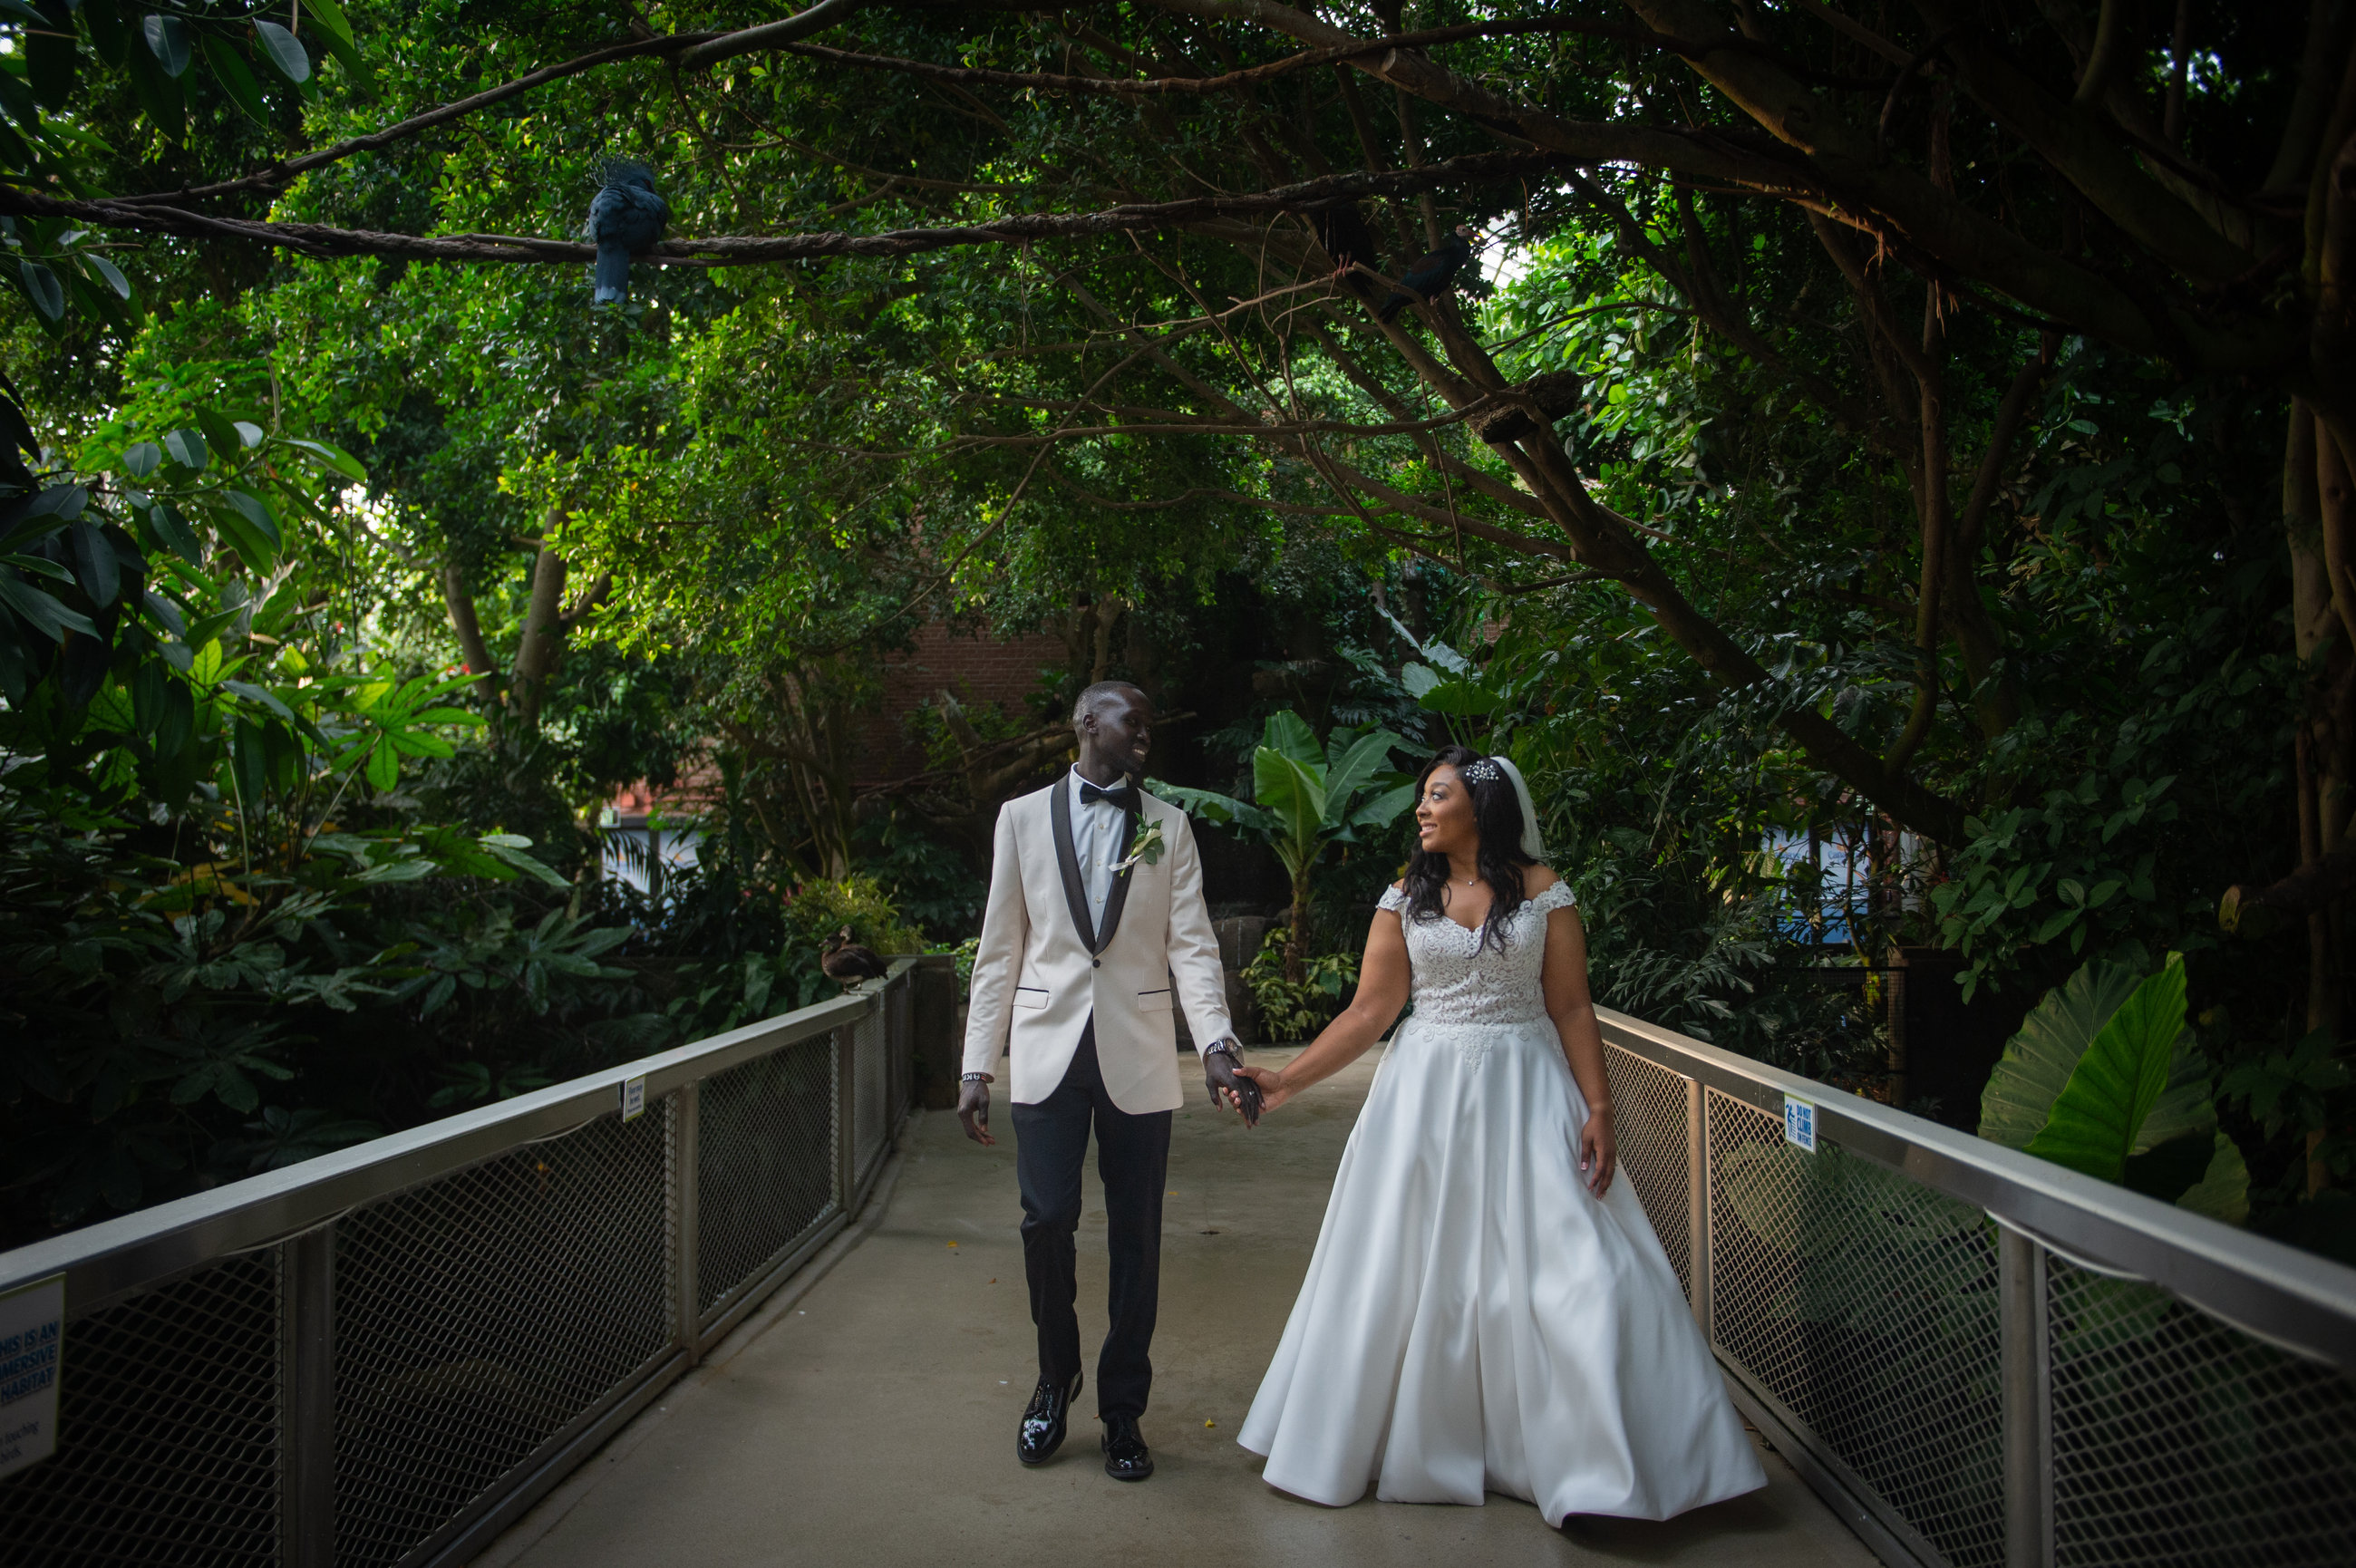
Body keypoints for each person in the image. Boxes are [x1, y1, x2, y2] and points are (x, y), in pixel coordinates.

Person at [1234, 746, 1766, 1524]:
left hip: (1528, 1092)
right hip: (1423, 1100)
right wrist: (1288, 1080)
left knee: (1583, 1270)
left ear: (1481, 809)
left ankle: (1596, 1470)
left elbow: (1573, 1008)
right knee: (1411, 1272)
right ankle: (1409, 1442)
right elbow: (1368, 1012)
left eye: (1436, 795)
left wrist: (1599, 1107)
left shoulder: (1546, 895)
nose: (1420, 808)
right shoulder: (1401, 898)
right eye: (1422, 796)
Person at [958, 681, 1258, 1483]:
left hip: (1139, 1053)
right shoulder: (1019, 819)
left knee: (1137, 1239)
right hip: (1046, 1049)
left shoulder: (1168, 826)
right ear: (1087, 723)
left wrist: (1216, 1045)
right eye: (1134, 720)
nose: (1145, 734)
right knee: (1045, 1220)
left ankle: (1123, 1410)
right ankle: (1055, 1379)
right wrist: (975, 1063)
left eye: (1150, 724)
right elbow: (999, 949)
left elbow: (1192, 945)